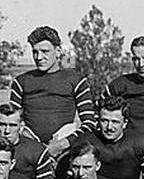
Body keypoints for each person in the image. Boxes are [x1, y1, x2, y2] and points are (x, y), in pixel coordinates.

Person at [8, 25, 96, 158]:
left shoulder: (75, 79)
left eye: (45, 51)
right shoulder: (21, 81)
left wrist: (63, 144)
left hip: (65, 150)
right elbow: (11, 121)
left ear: (58, 51)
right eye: (35, 52)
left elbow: (89, 123)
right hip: (29, 148)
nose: (39, 57)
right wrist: (26, 137)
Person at [81, 96, 144, 179]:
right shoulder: (86, 141)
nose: (109, 127)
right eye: (104, 121)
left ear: (125, 123)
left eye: (115, 122)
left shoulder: (141, 143)